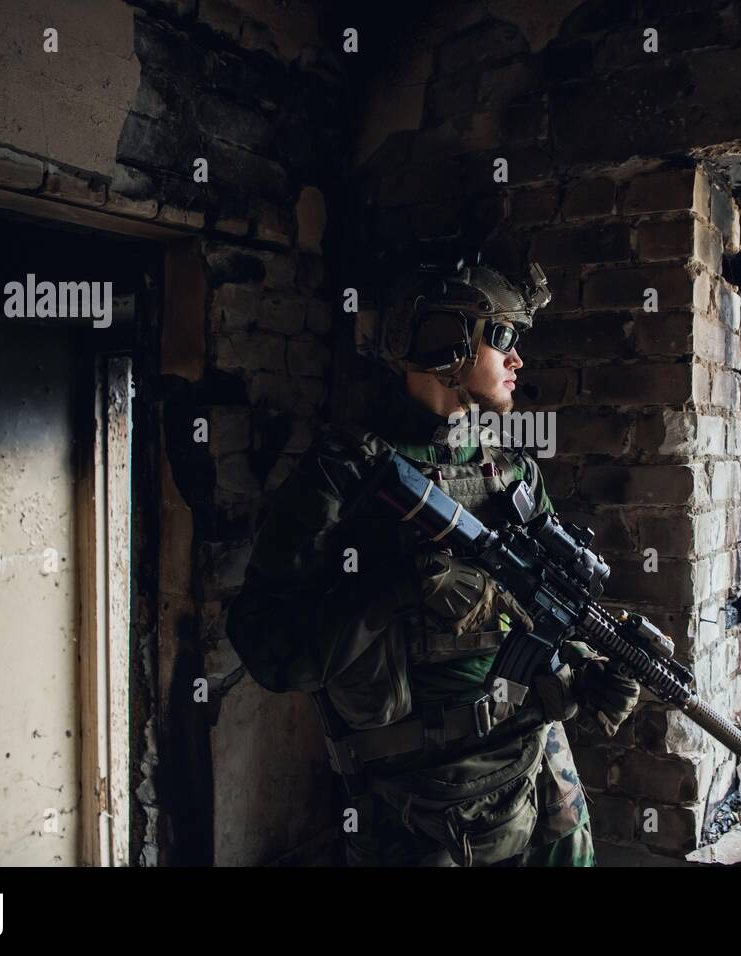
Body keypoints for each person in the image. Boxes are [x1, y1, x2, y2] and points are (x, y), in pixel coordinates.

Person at [226, 255, 640, 866]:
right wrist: (398, 589)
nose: (518, 360)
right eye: (502, 338)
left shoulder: (513, 474)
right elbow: (267, 646)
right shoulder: (349, 472)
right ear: (450, 341)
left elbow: (536, 614)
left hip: (534, 761)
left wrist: (583, 666)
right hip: (418, 798)